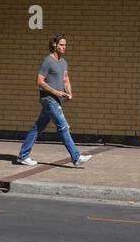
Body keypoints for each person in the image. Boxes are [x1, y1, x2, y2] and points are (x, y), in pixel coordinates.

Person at [17, 33, 92, 168]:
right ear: (54, 45)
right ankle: (76, 157)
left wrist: (69, 92)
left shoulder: (63, 62)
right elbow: (39, 82)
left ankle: (23, 156)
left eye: (65, 45)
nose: (64, 47)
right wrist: (56, 92)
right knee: (63, 126)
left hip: (56, 99)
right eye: (62, 45)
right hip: (48, 98)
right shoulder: (48, 61)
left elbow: (65, 79)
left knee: (37, 128)